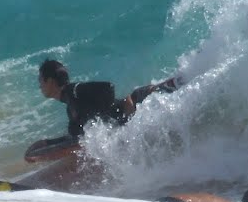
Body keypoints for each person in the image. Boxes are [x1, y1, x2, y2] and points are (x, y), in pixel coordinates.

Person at [27, 59, 181, 163]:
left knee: (182, 85)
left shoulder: (74, 91)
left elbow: (108, 88)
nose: (39, 85)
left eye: (40, 80)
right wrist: (46, 144)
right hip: (140, 111)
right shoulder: (71, 107)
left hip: (141, 100)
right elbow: (76, 139)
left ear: (50, 81)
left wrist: (118, 119)